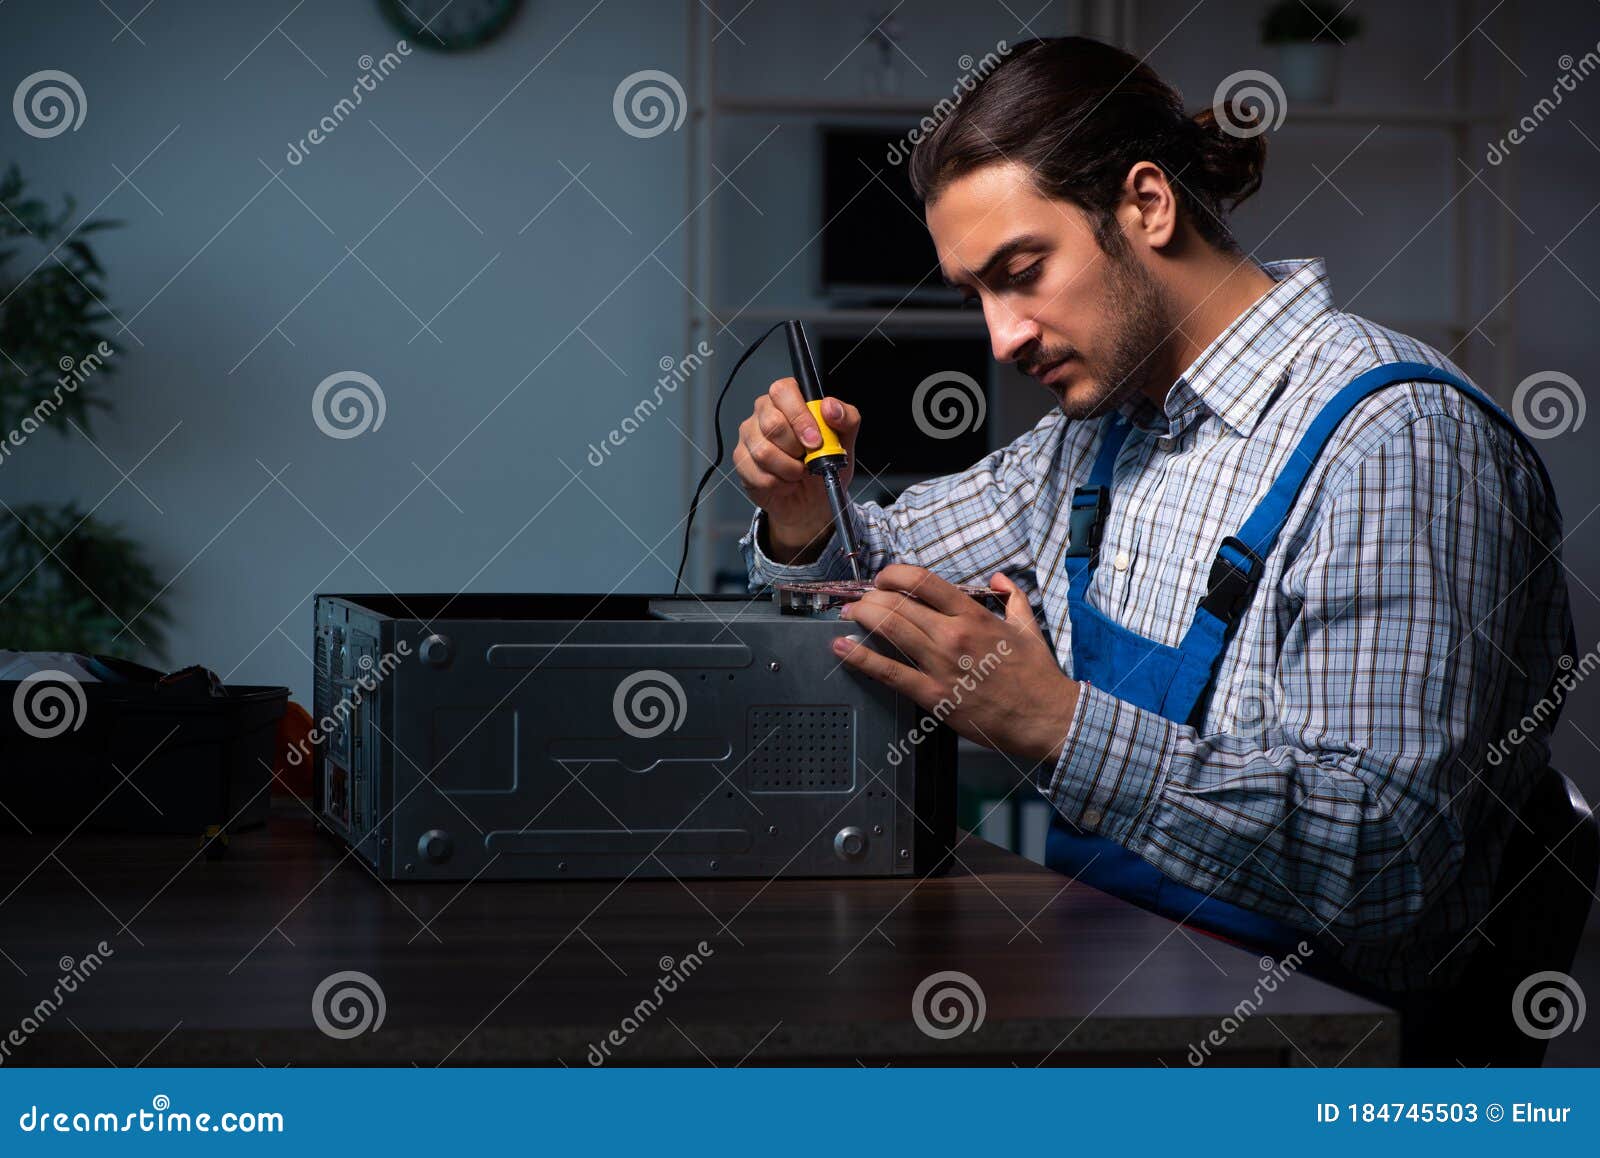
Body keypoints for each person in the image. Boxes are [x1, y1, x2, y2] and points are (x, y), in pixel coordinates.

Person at [733, 36, 1573, 998]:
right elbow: (870, 570)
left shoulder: (1397, 443)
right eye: (977, 296)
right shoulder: (1093, 438)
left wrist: (1054, 724)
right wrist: (802, 512)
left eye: (1022, 270)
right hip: (1109, 1000)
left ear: (1147, 204)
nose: (1001, 338)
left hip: (1316, 1061)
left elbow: (1388, 869)